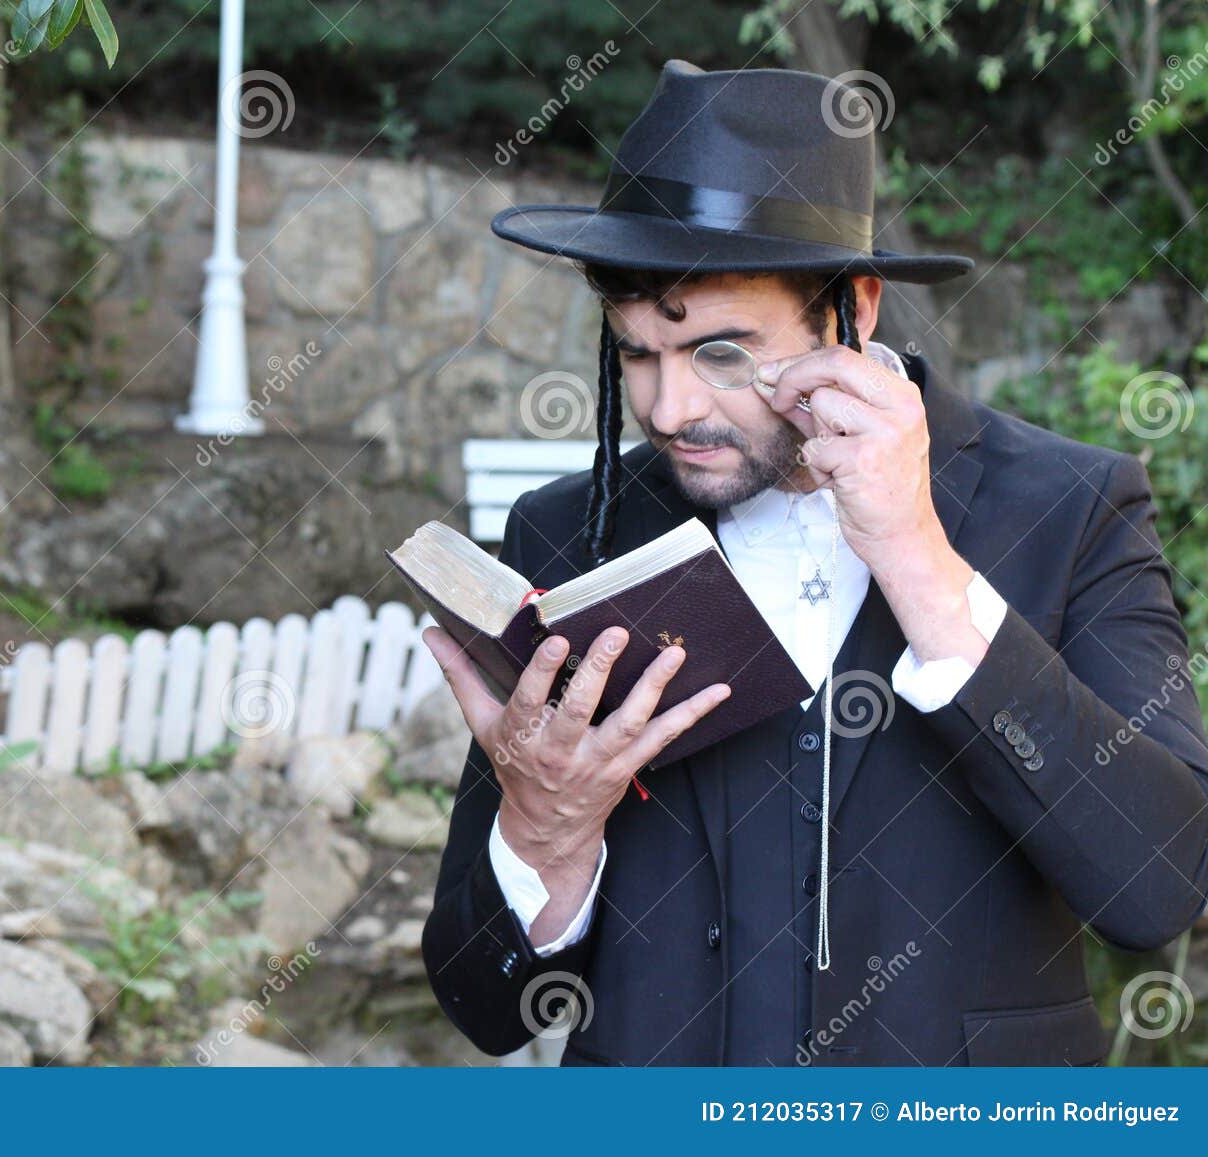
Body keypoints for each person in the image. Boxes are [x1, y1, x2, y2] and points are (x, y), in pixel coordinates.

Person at [419, 60, 1208, 1066]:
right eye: (638, 352)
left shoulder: (1070, 511)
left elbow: (1158, 885)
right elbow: (483, 1006)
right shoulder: (565, 533)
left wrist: (917, 558)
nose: (669, 410)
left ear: (855, 312)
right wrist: (539, 832)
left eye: (720, 352)